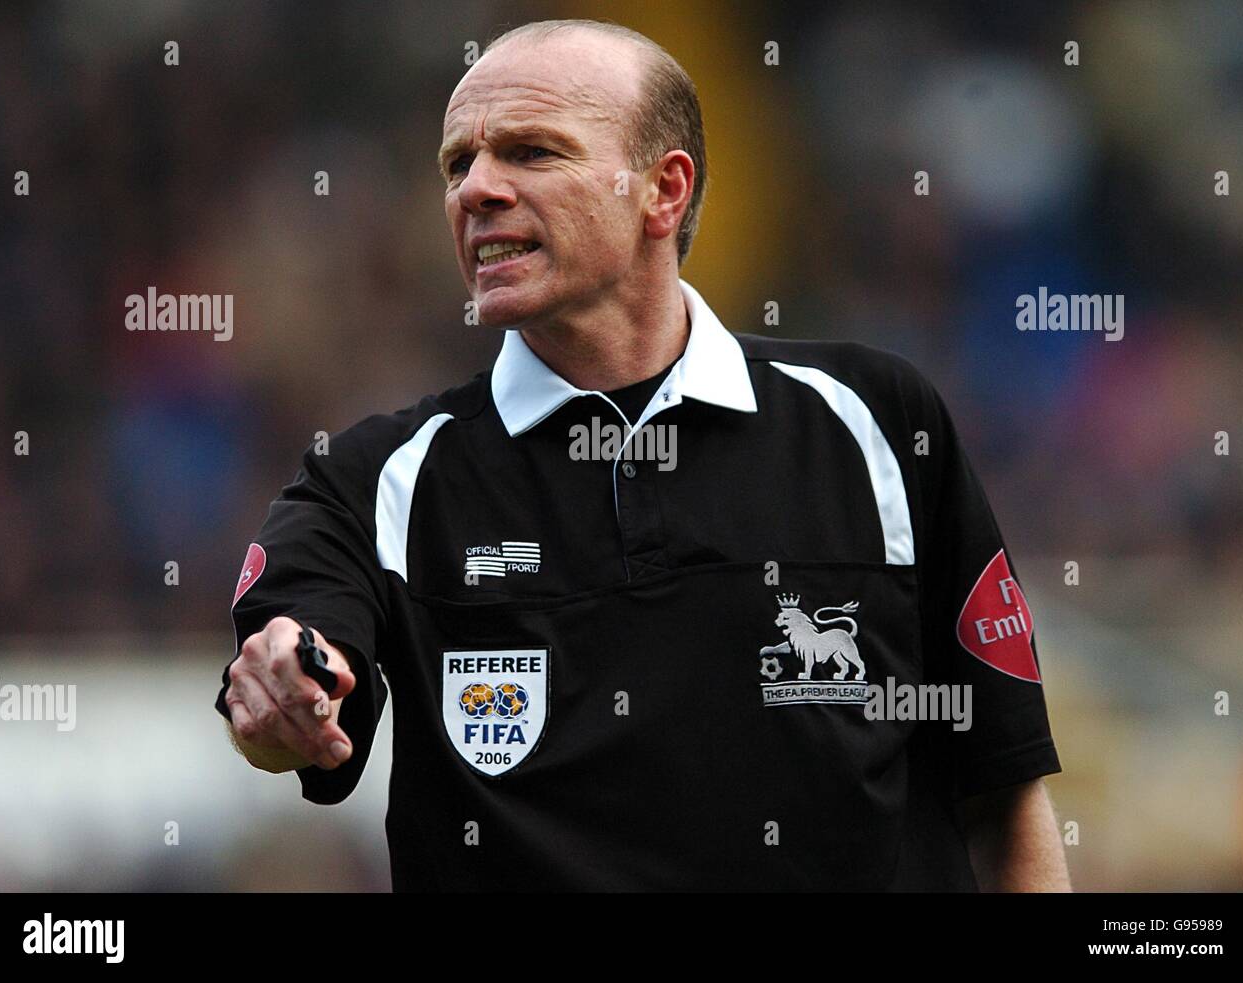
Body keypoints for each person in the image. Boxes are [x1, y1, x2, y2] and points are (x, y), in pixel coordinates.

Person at [216, 18, 1071, 891]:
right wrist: (284, 678)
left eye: (531, 152)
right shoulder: (376, 480)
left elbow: (1002, 795)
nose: (476, 189)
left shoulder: (877, 423)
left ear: (663, 191)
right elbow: (293, 653)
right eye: (457, 164)